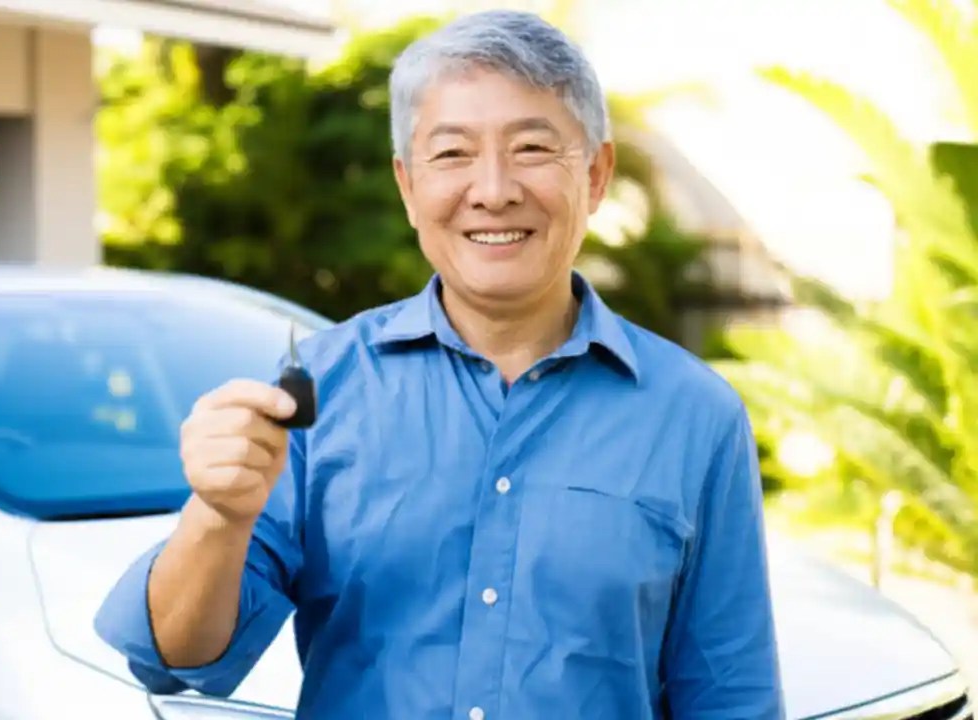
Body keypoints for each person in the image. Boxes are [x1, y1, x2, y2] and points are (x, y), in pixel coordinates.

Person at [94, 9, 784, 719]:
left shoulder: (695, 415)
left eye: (532, 149)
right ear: (407, 185)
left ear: (597, 175)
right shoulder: (324, 388)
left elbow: (731, 699)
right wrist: (217, 515)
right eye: (452, 154)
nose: (492, 190)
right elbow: (175, 659)